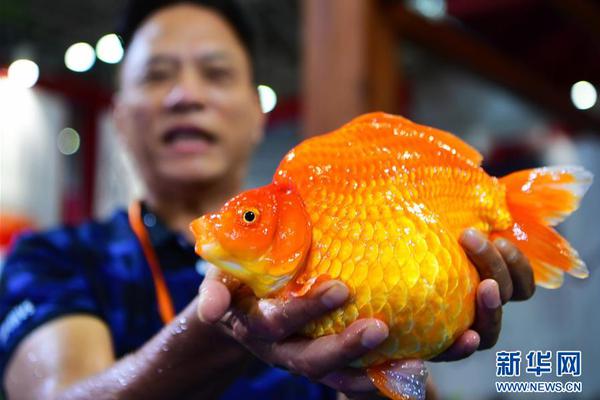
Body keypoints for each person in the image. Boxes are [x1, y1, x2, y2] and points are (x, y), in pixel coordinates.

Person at [0, 1, 535, 399]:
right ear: (118, 116)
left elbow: (413, 388)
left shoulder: (328, 220)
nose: (187, 95)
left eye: (216, 73)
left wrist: (409, 344)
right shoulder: (49, 258)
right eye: (158, 75)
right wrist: (222, 334)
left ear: (259, 114)